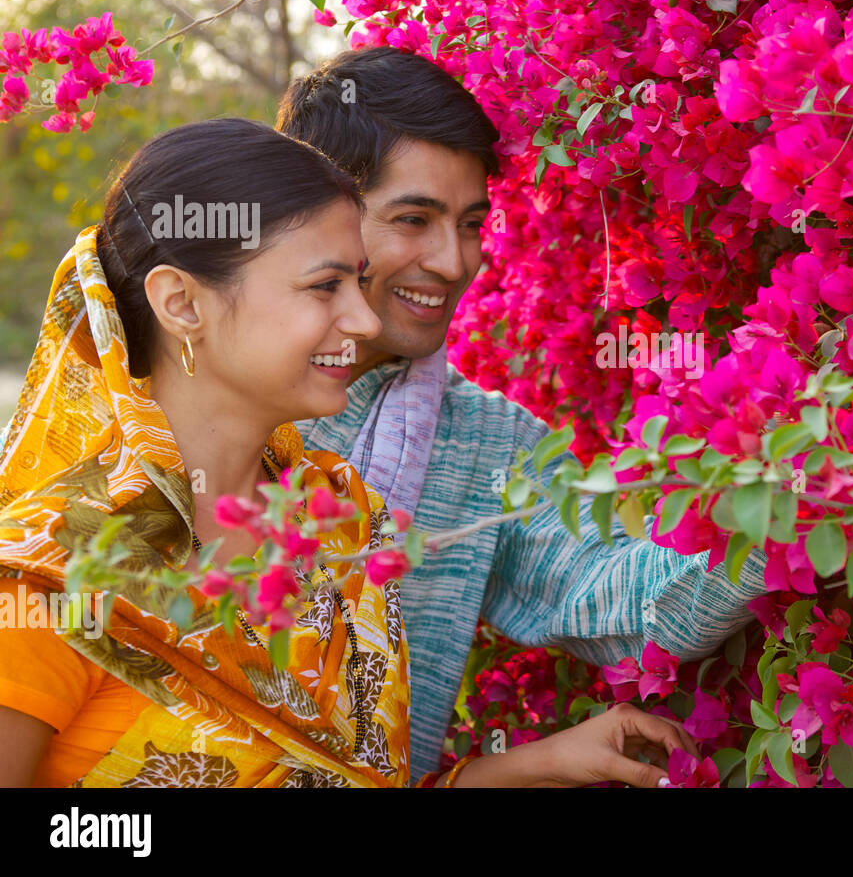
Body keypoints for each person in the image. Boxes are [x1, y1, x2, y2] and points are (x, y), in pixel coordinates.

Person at [0, 118, 696, 788]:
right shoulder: (48, 580)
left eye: (357, 281)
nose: (364, 320)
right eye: (323, 286)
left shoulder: (339, 528)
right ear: (182, 303)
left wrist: (530, 767)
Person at [278, 47, 770, 785]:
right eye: (414, 219)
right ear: (317, 220)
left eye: (471, 224)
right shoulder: (217, 392)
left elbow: (624, 601)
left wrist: (794, 496)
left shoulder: (492, 443)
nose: (453, 262)